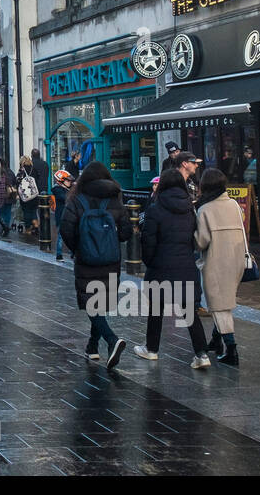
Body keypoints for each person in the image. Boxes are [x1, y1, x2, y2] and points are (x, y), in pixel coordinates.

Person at [59, 161, 132, 371]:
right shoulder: (115, 199)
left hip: (87, 260)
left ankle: (111, 339)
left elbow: (66, 228)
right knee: (99, 303)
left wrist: (79, 247)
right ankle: (92, 346)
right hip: (110, 260)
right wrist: (112, 240)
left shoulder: (77, 200)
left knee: (92, 304)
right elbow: (127, 230)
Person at [134, 169, 211, 368]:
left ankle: (151, 349)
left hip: (161, 265)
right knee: (189, 311)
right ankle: (202, 353)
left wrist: (150, 262)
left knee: (157, 309)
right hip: (185, 264)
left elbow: (148, 241)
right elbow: (194, 239)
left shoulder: (155, 208)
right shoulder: (189, 208)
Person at [194, 168, 248, 366]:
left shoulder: (204, 210)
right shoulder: (234, 204)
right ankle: (216, 341)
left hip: (215, 262)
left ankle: (231, 348)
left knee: (219, 306)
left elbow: (201, 241)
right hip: (236, 260)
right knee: (224, 300)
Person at [16, 155, 41, 237]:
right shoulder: (34, 170)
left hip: (26, 196)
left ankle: (28, 228)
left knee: (27, 212)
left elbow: (18, 182)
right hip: (34, 195)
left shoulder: (21, 171)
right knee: (34, 211)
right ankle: (36, 225)